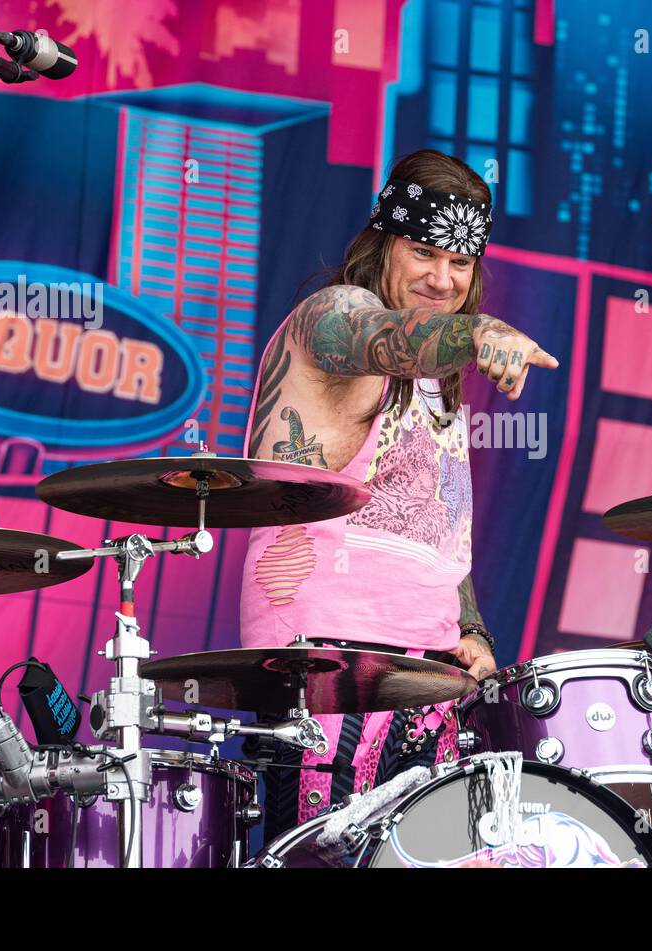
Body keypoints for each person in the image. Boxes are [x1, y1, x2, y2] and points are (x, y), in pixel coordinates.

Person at [239, 149, 558, 843]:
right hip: (331, 667)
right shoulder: (335, 319)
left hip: (428, 676)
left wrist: (470, 629)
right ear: (383, 243)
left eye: (461, 263)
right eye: (423, 252)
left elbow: (436, 518)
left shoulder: (438, 376)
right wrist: (478, 333)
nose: (442, 279)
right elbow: (386, 335)